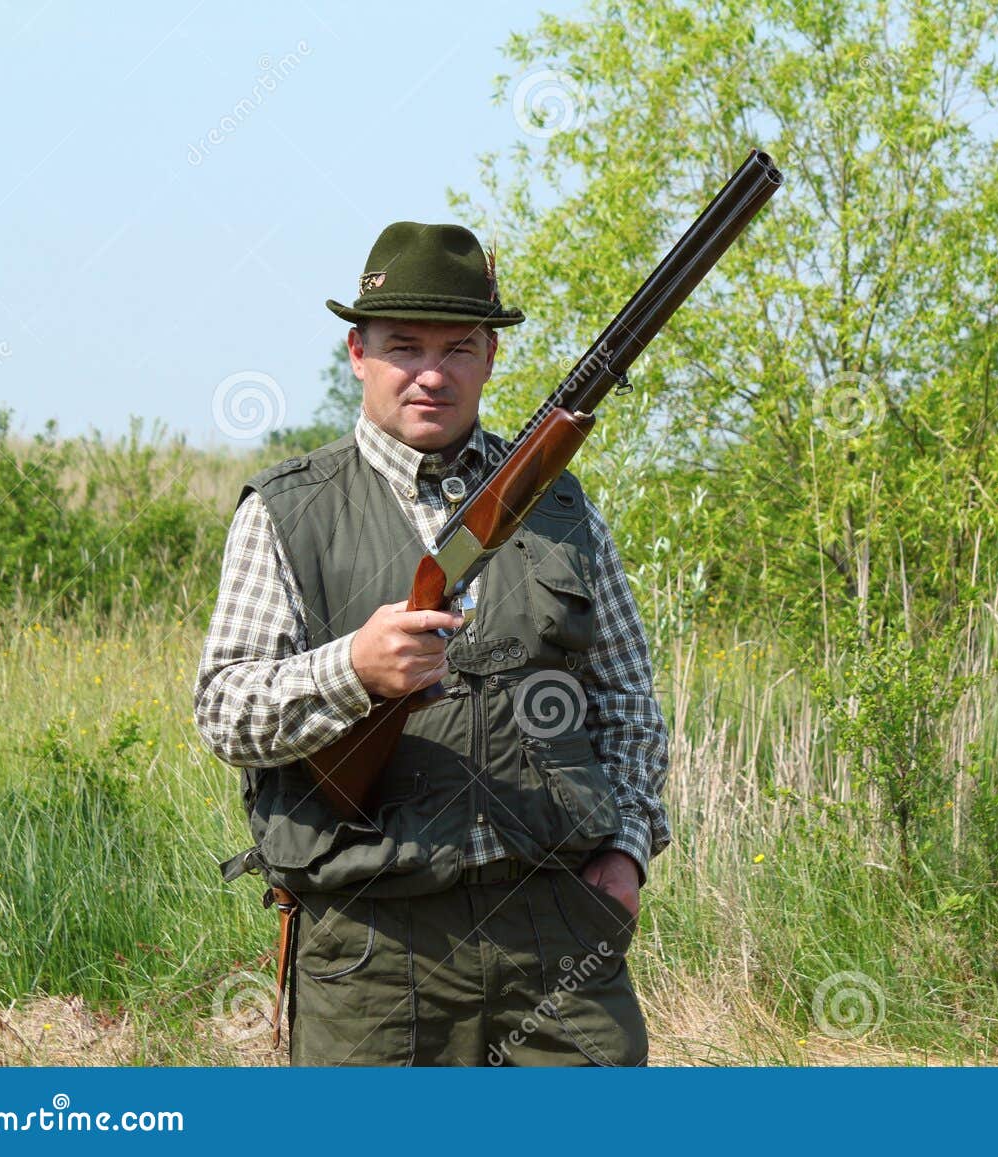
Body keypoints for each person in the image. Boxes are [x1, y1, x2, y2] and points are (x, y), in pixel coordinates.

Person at [193, 221, 670, 1066]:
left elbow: (629, 702)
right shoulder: (287, 509)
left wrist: (627, 850)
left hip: (557, 934)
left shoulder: (561, 506)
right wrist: (353, 669)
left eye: (458, 347)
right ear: (357, 352)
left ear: (489, 357)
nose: (430, 372)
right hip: (375, 949)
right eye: (403, 345)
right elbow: (225, 710)